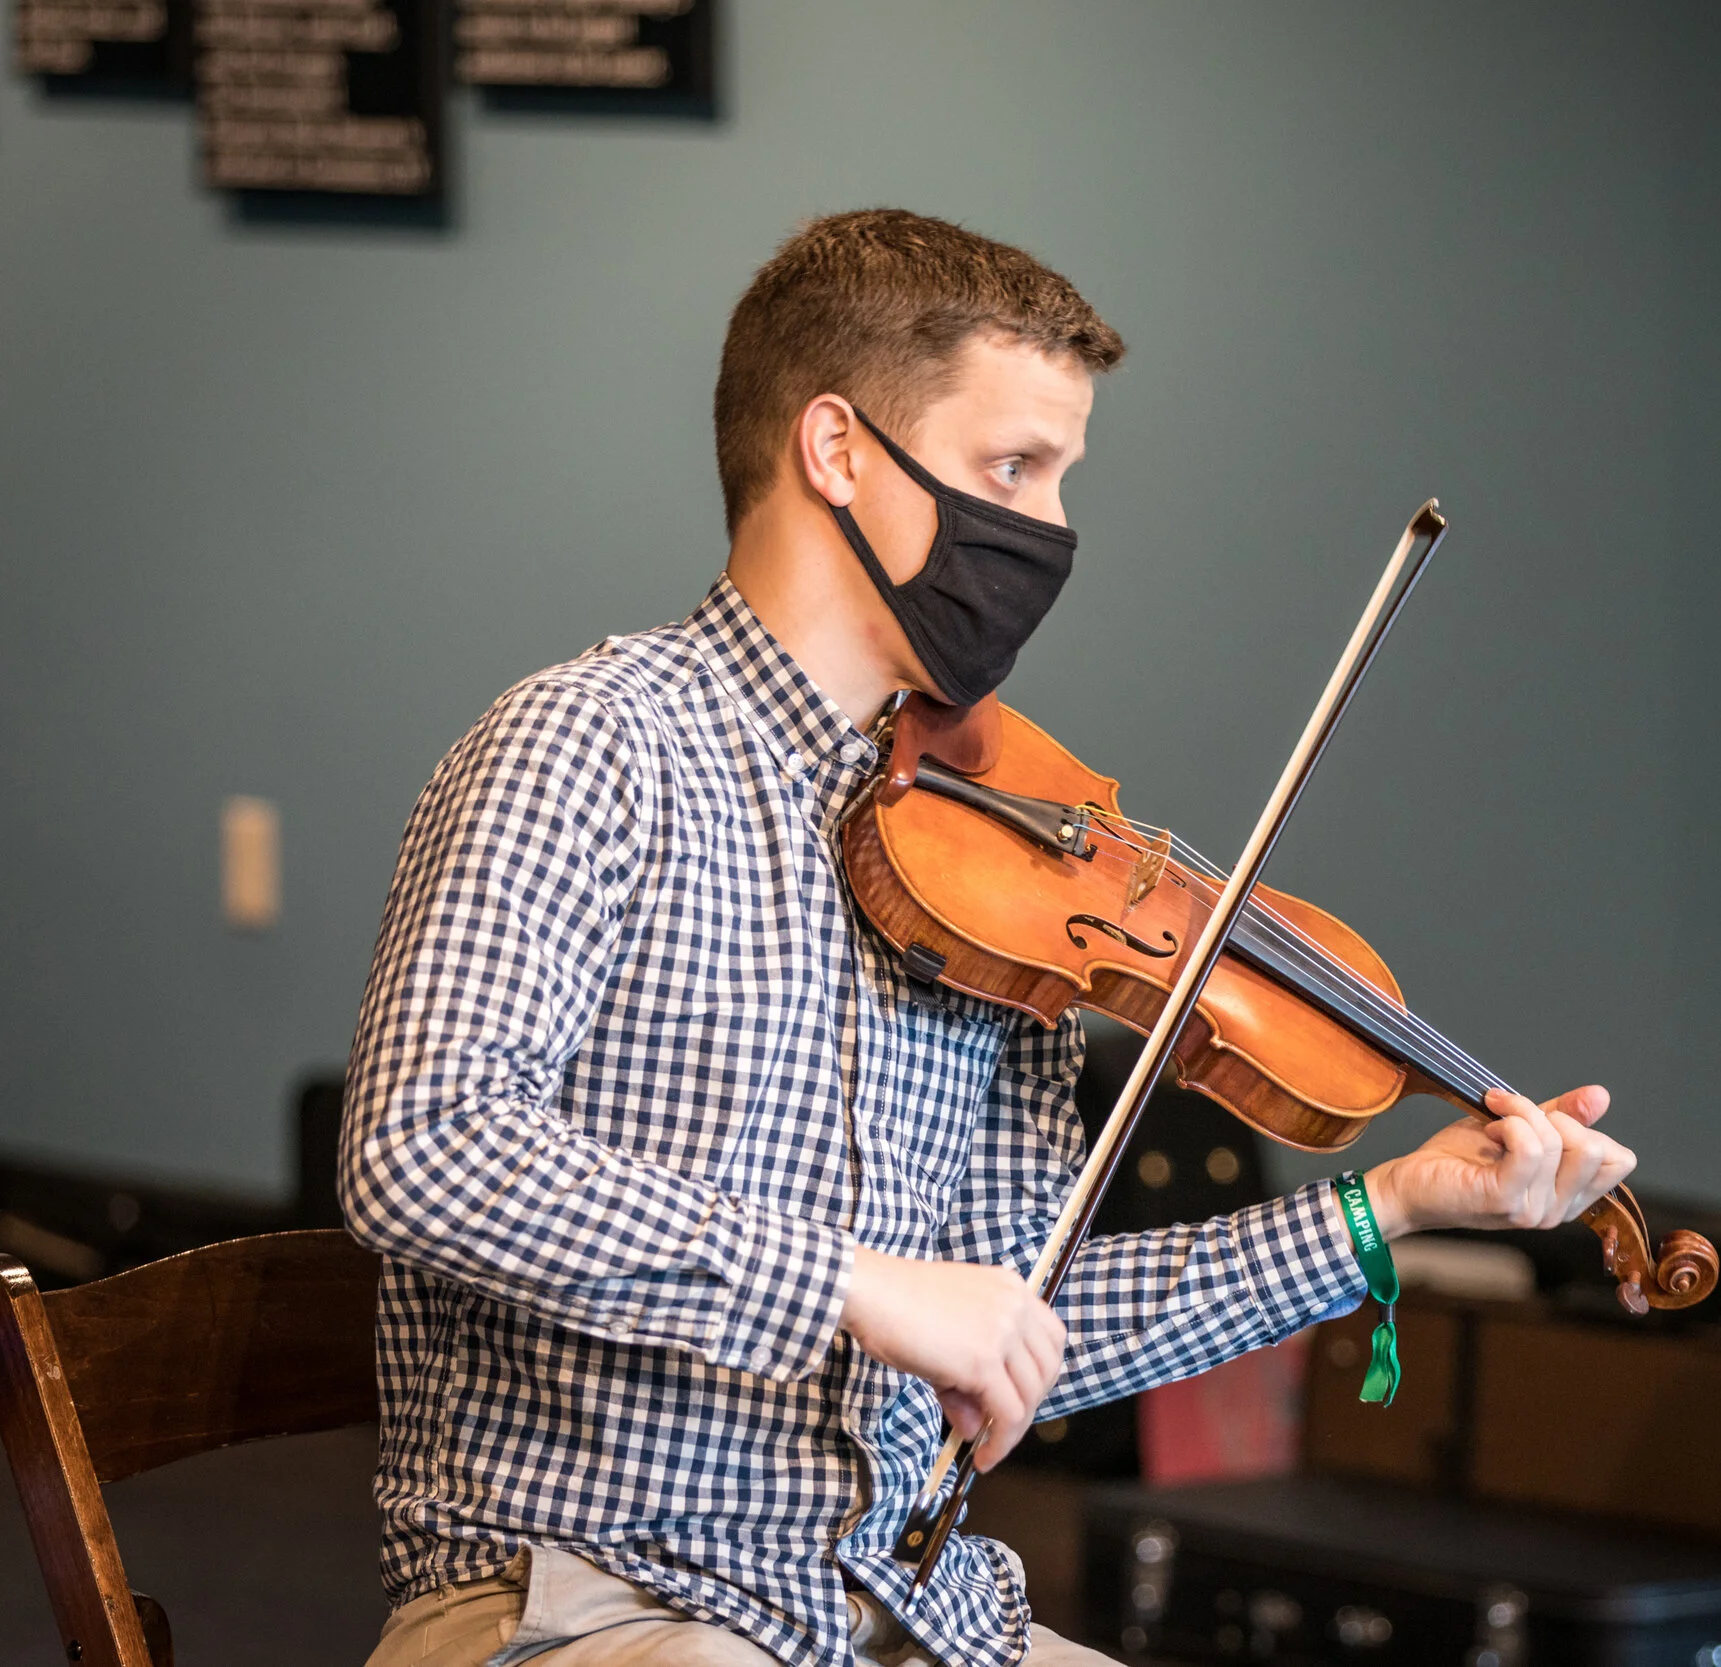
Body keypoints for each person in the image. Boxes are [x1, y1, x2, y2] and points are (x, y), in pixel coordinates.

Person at [342, 208, 1638, 1667]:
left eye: (1062, 482)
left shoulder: (1004, 861)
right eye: (1010, 470)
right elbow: (422, 1150)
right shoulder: (591, 746)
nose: (1049, 532)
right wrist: (851, 1284)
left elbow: (1019, 1317)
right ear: (837, 451)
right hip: (590, 1605)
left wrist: (1388, 1209)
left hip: (899, 1613)